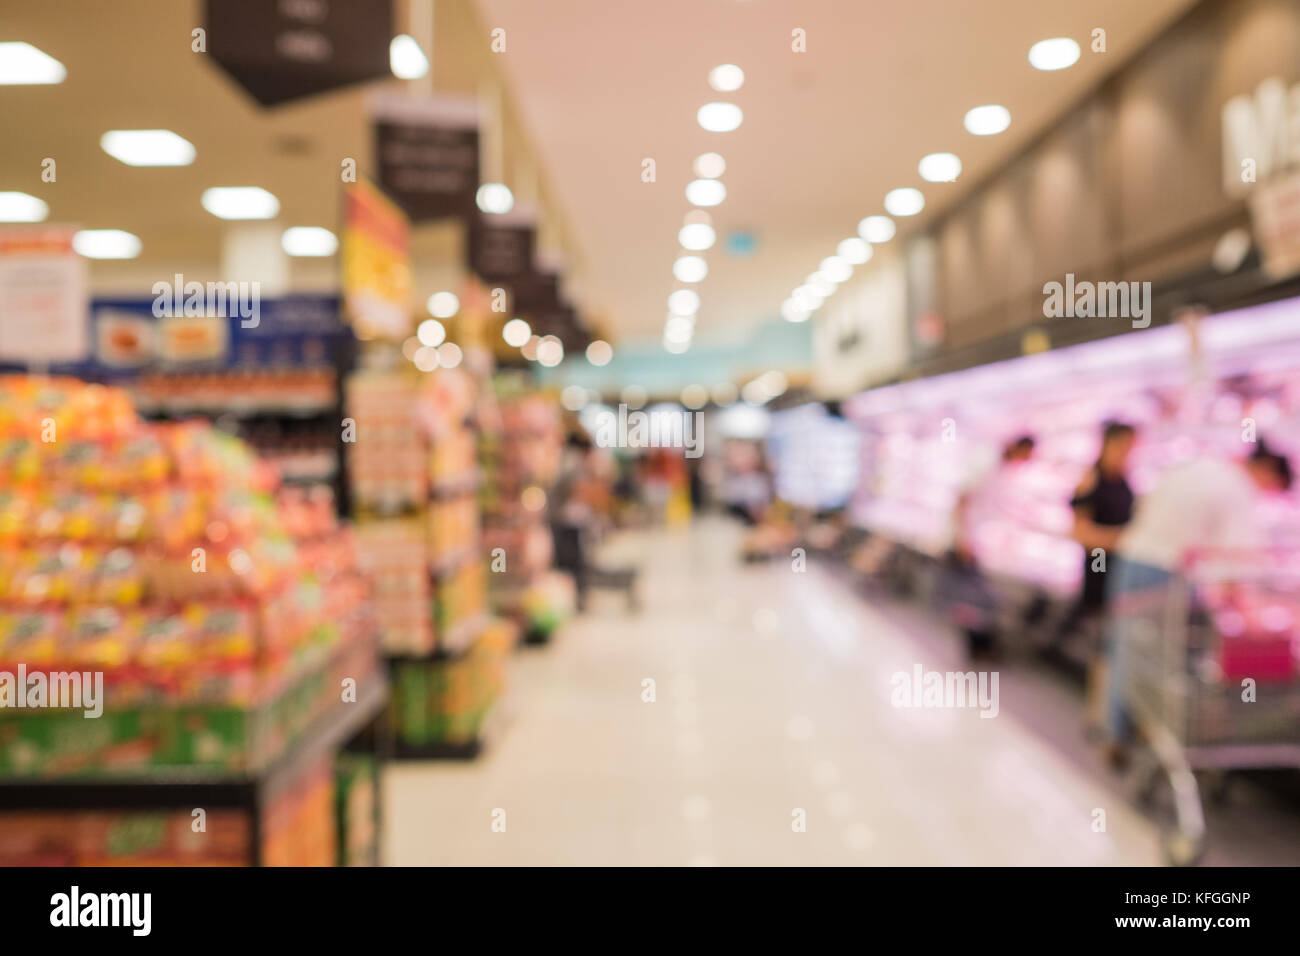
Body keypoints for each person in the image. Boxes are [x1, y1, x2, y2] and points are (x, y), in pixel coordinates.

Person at [1103, 439, 1293, 765]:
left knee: (1128, 648)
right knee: (1169, 660)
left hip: (1133, 558)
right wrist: (1251, 615)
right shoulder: (1237, 488)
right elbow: (1237, 561)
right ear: (1267, 472)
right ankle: (1163, 737)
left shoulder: (1198, 464)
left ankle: (1118, 734)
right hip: (1167, 573)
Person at [1060, 422, 1138, 736]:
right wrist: (1120, 539)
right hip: (1099, 568)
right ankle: (1099, 716)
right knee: (1102, 645)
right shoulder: (1091, 480)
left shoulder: (1125, 480)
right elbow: (1079, 533)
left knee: (1113, 643)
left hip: (1121, 571)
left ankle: (1109, 713)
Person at [947, 434, 1036, 660]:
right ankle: (977, 646)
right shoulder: (986, 463)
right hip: (967, 540)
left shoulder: (1002, 471)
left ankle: (980, 646)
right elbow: (963, 500)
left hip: (977, 541)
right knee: (973, 597)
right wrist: (962, 537)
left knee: (977, 596)